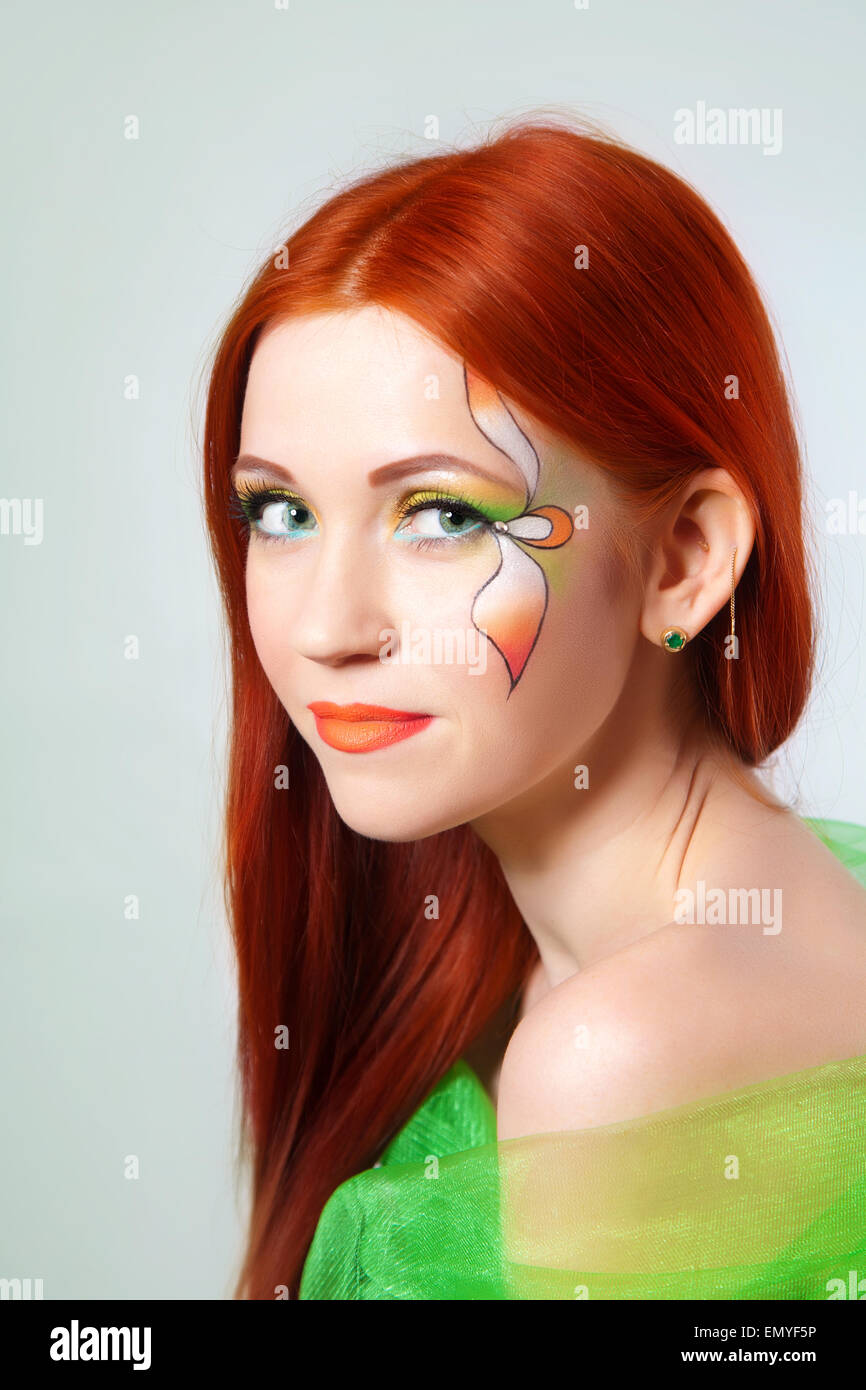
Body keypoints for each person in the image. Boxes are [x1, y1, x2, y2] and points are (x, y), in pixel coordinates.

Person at [200, 115, 866, 1300]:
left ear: (682, 559)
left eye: (445, 514)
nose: (326, 629)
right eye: (280, 513)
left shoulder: (622, 1053)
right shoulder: (780, 895)